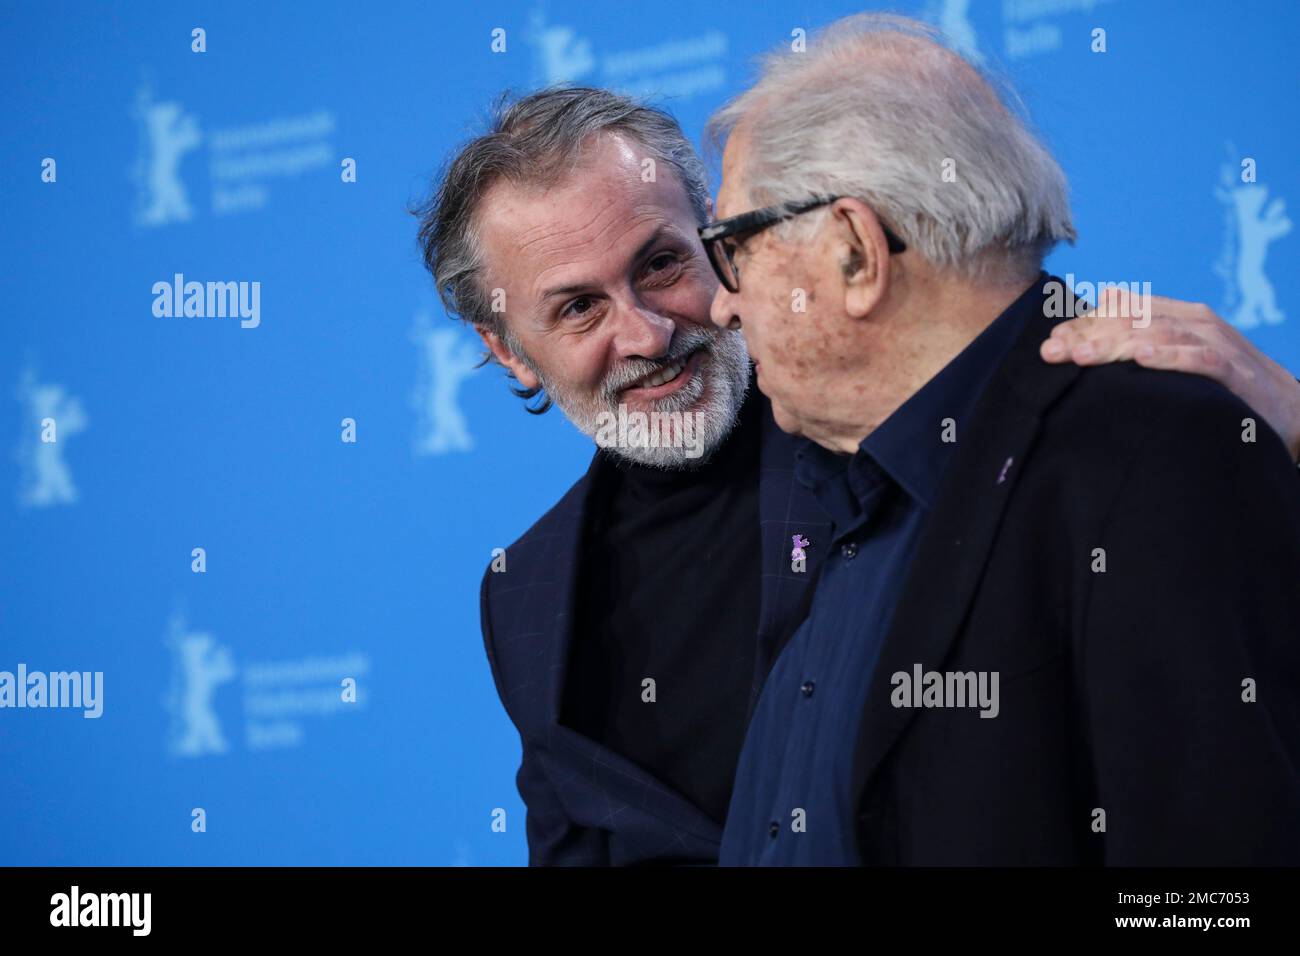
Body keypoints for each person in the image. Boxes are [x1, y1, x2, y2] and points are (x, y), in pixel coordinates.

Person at [415, 83, 1300, 865]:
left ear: (718, 239)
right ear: (507, 351)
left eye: (662, 263)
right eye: (578, 307)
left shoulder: (910, 437)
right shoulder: (523, 593)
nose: (648, 334)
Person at [704, 13, 1300, 865]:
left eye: (735, 249)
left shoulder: (1151, 453)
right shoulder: (835, 489)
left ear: (853, 252)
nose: (723, 304)